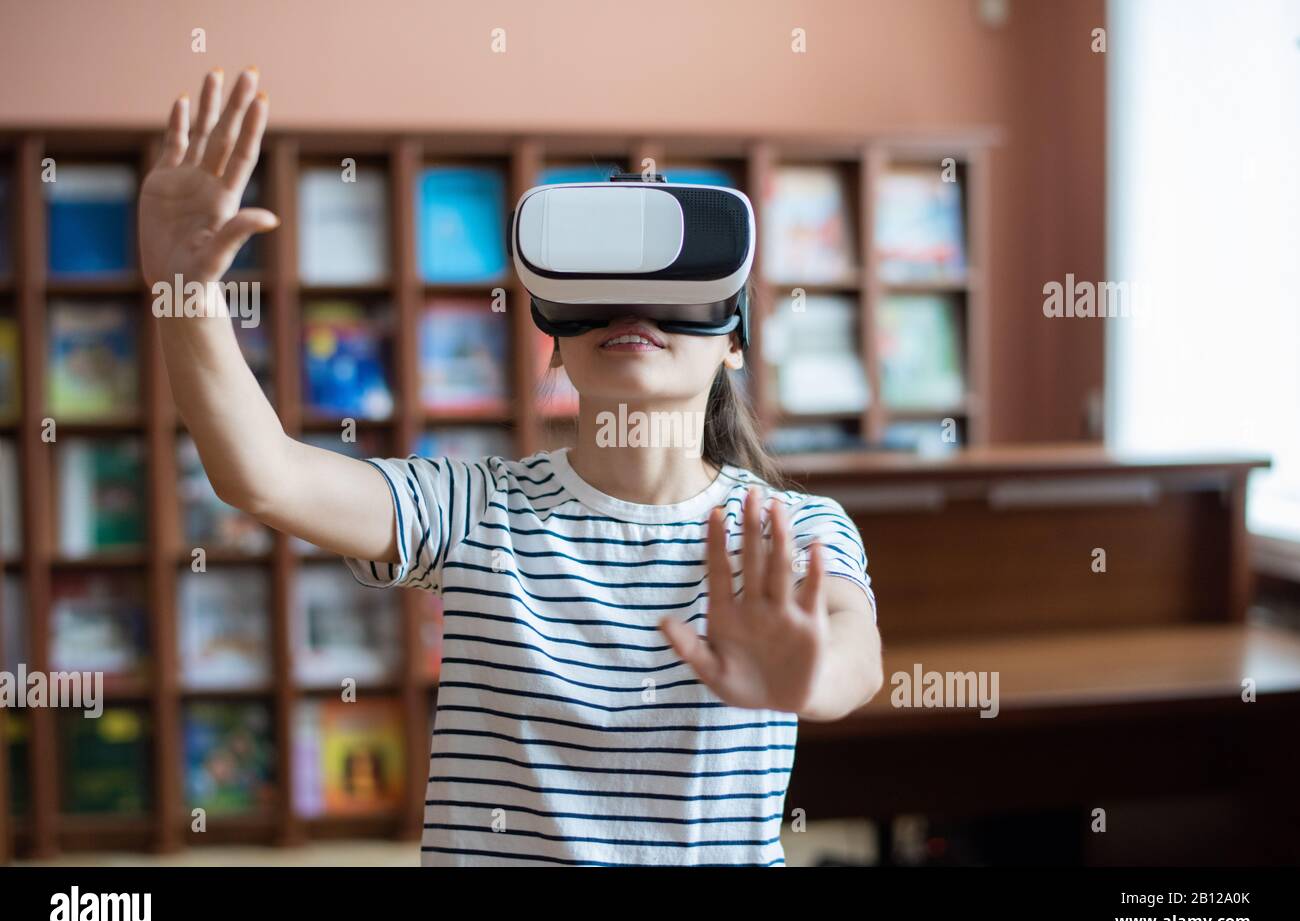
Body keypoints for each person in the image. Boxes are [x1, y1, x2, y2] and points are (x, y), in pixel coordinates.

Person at [139, 67, 884, 866]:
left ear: (734, 338)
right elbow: (262, 475)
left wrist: (806, 679)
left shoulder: (790, 527)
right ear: (555, 336)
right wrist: (186, 296)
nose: (633, 308)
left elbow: (856, 653)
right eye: (598, 287)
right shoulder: (473, 509)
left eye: (670, 286)